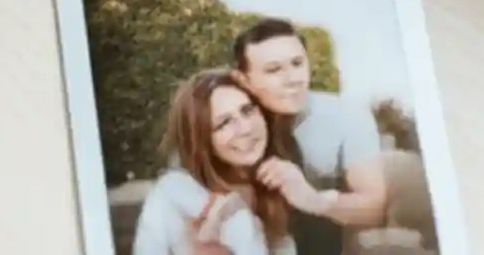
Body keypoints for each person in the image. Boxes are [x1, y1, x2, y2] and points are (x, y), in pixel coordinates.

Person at [230, 18, 388, 255]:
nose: (293, 79)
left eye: (297, 63)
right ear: (244, 81)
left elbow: (374, 208)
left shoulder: (346, 116)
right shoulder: (227, 119)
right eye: (273, 70)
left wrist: (313, 199)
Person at [133, 69, 298, 255]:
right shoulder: (175, 197)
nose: (246, 129)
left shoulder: (278, 186)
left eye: (247, 110)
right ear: (201, 140)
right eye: (224, 123)